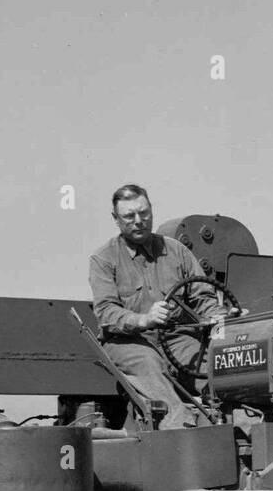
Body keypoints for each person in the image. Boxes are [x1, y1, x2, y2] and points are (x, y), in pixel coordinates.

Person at [88, 184, 227, 429]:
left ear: (151, 210)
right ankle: (181, 431)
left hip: (177, 339)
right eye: (129, 216)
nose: (138, 221)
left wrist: (222, 324)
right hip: (128, 342)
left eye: (144, 213)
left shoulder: (177, 251)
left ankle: (239, 427)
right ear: (116, 219)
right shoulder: (103, 259)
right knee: (150, 367)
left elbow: (203, 298)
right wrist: (144, 319)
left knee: (216, 371)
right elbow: (106, 312)